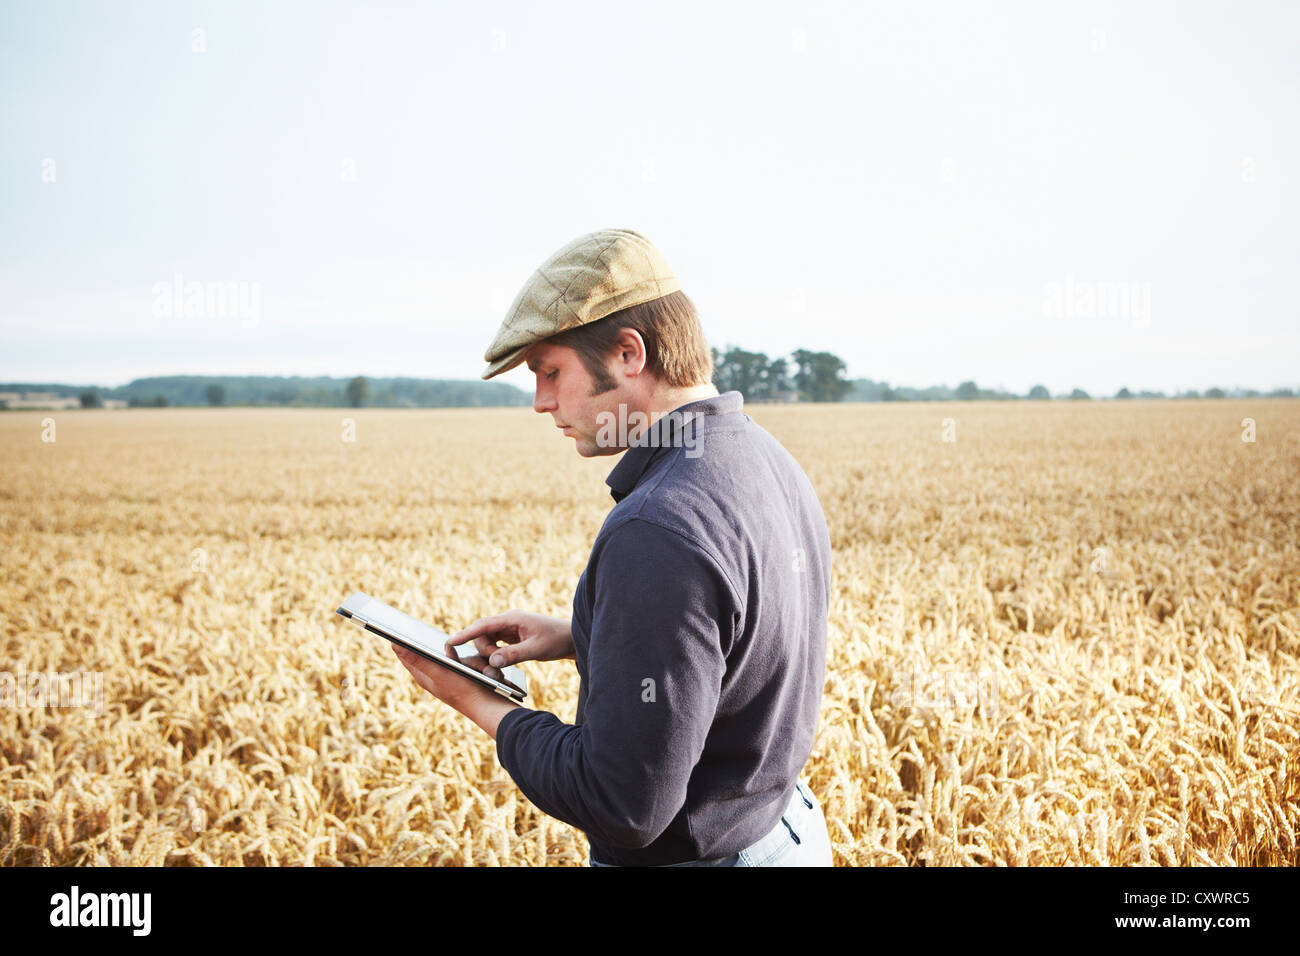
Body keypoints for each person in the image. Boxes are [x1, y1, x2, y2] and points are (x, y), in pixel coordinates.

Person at [391, 228, 833, 866]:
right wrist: (587, 631)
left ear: (629, 353)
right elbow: (741, 632)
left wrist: (477, 702)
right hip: (783, 834)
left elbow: (625, 806)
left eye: (550, 372)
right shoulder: (764, 459)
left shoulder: (656, 530)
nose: (541, 403)